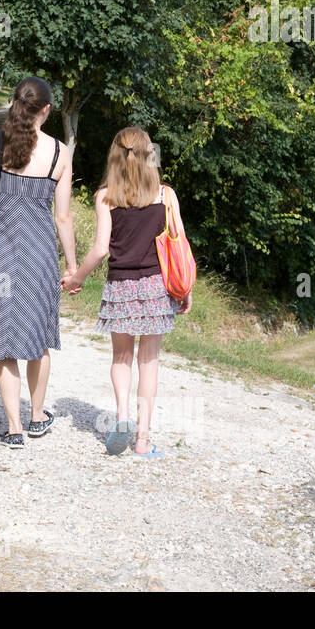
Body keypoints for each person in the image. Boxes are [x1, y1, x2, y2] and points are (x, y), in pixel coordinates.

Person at [62, 127, 192, 458]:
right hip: (155, 286)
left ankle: (121, 417)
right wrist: (185, 288)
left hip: (120, 286)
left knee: (121, 357)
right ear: (151, 155)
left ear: (115, 158)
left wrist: (76, 278)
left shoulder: (105, 197)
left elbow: (100, 249)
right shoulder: (165, 195)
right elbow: (180, 246)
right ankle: (143, 441)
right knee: (148, 361)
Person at [0, 77, 76, 448]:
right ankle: (37, 416)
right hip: (39, 258)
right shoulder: (59, 153)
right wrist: (72, 266)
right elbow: (63, 218)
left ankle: (12, 428)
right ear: (46, 110)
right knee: (38, 338)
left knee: (6, 341)